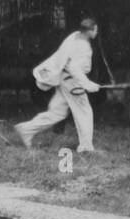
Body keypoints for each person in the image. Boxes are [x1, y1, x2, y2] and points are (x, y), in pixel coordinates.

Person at [8, 17, 102, 152]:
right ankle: (86, 146)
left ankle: (26, 129)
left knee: (57, 113)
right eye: (95, 29)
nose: (96, 32)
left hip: (63, 79)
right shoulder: (83, 47)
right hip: (72, 81)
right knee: (84, 111)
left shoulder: (74, 37)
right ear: (90, 31)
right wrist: (87, 84)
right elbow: (75, 68)